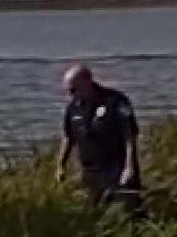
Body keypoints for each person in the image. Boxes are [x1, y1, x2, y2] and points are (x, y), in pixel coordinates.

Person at [56, 64, 143, 216]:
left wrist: (129, 168)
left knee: (127, 213)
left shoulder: (116, 101)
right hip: (90, 172)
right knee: (96, 213)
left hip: (116, 169)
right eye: (68, 91)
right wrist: (61, 165)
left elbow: (130, 136)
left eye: (73, 90)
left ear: (87, 82)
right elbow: (68, 137)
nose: (71, 95)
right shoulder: (73, 107)